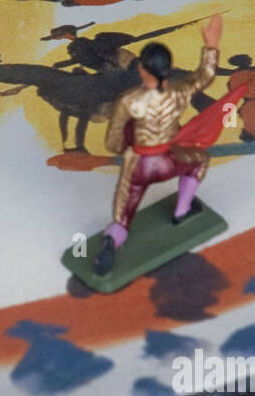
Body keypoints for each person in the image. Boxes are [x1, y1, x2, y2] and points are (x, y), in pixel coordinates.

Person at [94, 15, 240, 275]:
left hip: (137, 167)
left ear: (142, 70)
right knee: (201, 159)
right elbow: (205, 76)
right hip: (170, 161)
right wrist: (212, 46)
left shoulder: (129, 100)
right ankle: (182, 210)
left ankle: (112, 241)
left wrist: (127, 144)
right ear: (168, 69)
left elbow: (113, 143)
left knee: (122, 218)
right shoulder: (179, 91)